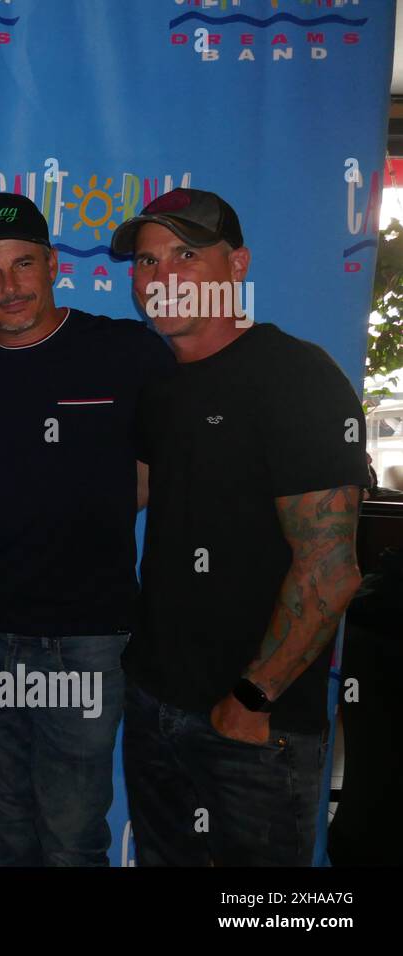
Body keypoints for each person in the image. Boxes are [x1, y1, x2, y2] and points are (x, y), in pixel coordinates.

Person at [112, 188, 369, 866]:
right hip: (155, 703)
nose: (162, 276)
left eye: (186, 255)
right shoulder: (163, 388)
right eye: (146, 260)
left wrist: (252, 699)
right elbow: (125, 498)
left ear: (238, 264)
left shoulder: (296, 376)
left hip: (253, 723)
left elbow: (331, 569)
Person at [0, 192, 175, 866]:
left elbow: (164, 466)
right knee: (10, 823)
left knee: (74, 833)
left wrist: (87, 509)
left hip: (87, 640)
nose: (9, 287)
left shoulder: (126, 351)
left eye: (22, 265)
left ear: (53, 265)